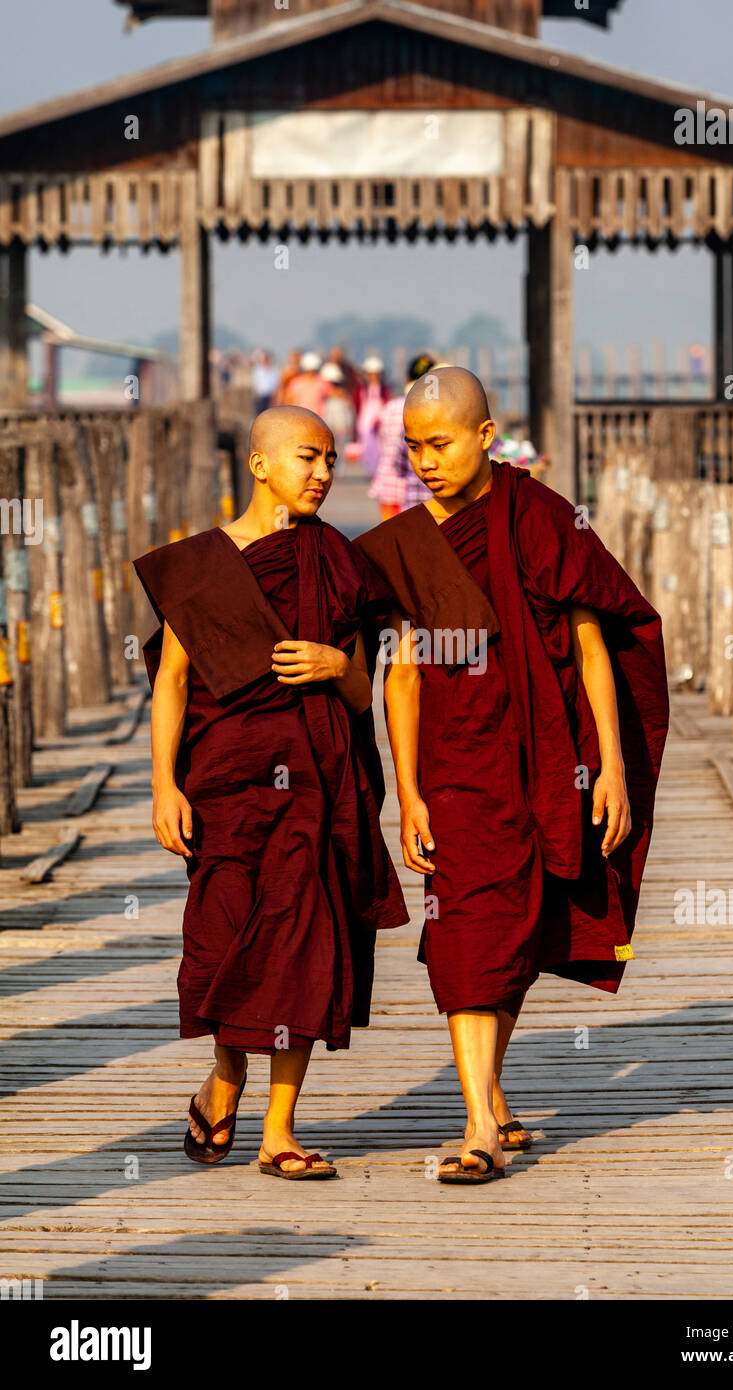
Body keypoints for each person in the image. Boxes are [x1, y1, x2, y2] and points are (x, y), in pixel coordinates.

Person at [355, 367, 669, 1184]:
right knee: (465, 930)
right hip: (457, 766)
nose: (426, 461)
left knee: (520, 926)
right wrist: (410, 792)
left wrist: (612, 770)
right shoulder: (408, 545)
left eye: (441, 443)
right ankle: (475, 1125)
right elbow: (404, 674)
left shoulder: (540, 516)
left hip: (548, 762)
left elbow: (592, 644)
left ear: (486, 437)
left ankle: (488, 1095)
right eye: (413, 446)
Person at [133, 407, 408, 1180]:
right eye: (307, 457)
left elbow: (362, 695)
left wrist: (334, 667)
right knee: (228, 939)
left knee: (305, 945)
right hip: (226, 786)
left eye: (328, 460)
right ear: (260, 465)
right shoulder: (203, 568)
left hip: (316, 788)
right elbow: (173, 684)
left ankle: (280, 1131)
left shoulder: (340, 563)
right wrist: (163, 786)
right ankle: (226, 1075)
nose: (323, 473)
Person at [369, 352, 437, 521]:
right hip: (417, 486)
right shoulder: (433, 411)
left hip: (388, 481)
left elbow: (381, 441)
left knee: (389, 537)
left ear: (407, 378)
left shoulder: (391, 407)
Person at [356, 355, 391, 479]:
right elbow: (358, 405)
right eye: (371, 374)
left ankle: (378, 470)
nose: (373, 377)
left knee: (379, 447)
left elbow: (387, 404)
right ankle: (370, 470)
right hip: (365, 421)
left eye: (375, 374)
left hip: (380, 421)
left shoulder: (384, 389)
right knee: (367, 446)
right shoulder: (362, 388)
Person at [320, 362, 356, 473]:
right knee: (330, 449)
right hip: (331, 425)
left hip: (342, 427)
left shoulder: (344, 396)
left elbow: (349, 413)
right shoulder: (326, 396)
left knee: (340, 450)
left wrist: (350, 426)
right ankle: (332, 468)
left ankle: (338, 470)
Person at [251, 349, 279, 414]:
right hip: (261, 396)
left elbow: (277, 382)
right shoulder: (258, 370)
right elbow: (256, 383)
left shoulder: (274, 369)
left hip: (272, 397)